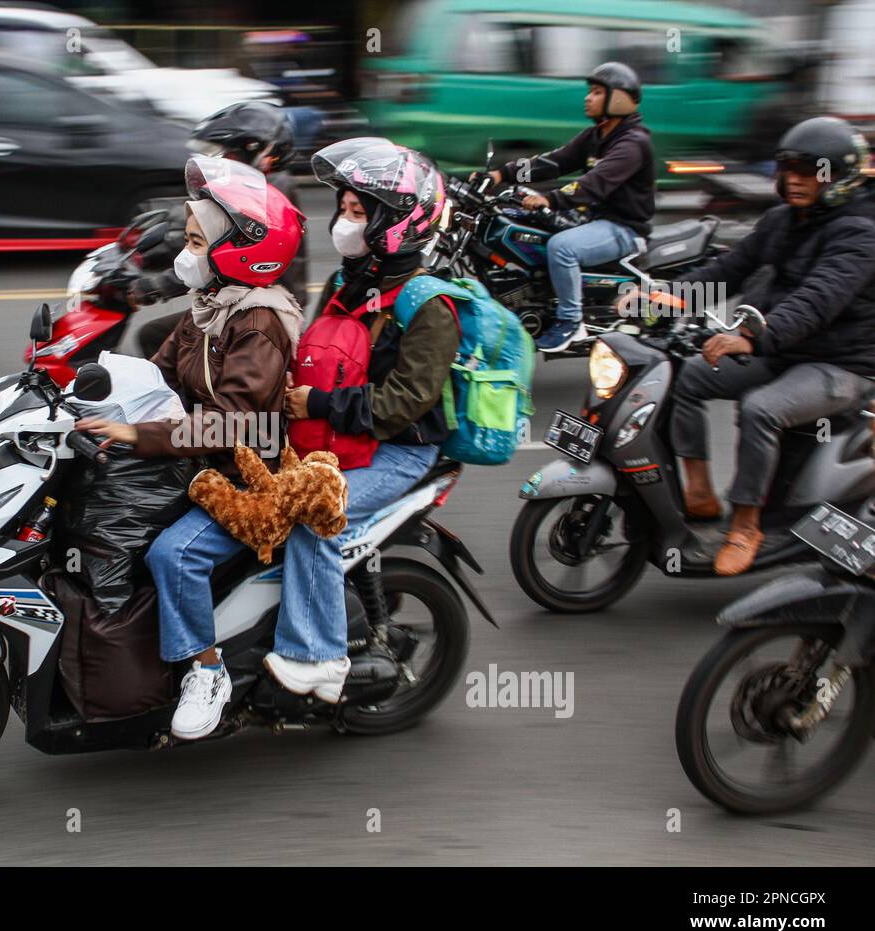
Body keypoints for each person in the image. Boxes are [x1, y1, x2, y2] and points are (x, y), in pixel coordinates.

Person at [75, 156, 306, 740]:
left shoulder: (259, 323)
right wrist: (100, 406)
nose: (185, 251)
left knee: (172, 555)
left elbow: (236, 424)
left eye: (197, 241)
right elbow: (159, 378)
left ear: (236, 251)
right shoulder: (210, 309)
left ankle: (208, 670)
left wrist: (141, 434)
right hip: (201, 460)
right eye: (188, 238)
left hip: (248, 477)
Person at [279, 138, 458, 700]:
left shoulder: (428, 305)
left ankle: (320, 658)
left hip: (400, 451)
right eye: (345, 210)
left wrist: (319, 405)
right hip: (336, 437)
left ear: (397, 223)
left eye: (361, 212)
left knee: (315, 511)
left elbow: (406, 402)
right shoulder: (344, 284)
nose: (344, 222)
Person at [657, 116, 875, 575]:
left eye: (809, 171)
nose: (794, 180)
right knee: (687, 376)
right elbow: (730, 268)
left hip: (839, 365)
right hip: (783, 351)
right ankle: (699, 493)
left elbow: (816, 301)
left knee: (761, 408)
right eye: (788, 169)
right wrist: (667, 296)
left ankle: (746, 525)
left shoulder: (859, 233)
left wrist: (751, 336)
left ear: (837, 178)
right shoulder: (782, 220)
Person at [482, 62, 655, 352]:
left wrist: (551, 199)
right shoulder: (596, 136)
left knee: (562, 247)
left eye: (597, 92)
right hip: (592, 220)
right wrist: (500, 175)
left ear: (619, 98)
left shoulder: (632, 143)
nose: (588, 98)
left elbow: (594, 183)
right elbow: (553, 162)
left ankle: (570, 322)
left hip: (623, 228)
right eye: (590, 92)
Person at [133, 101, 308, 358]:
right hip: (233, 296)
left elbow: (220, 254)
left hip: (254, 304)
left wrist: (158, 285)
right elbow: (202, 231)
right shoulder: (242, 189)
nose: (224, 161)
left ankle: (190, 398)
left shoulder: (266, 195)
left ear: (258, 151)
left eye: (230, 155)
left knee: (154, 336)